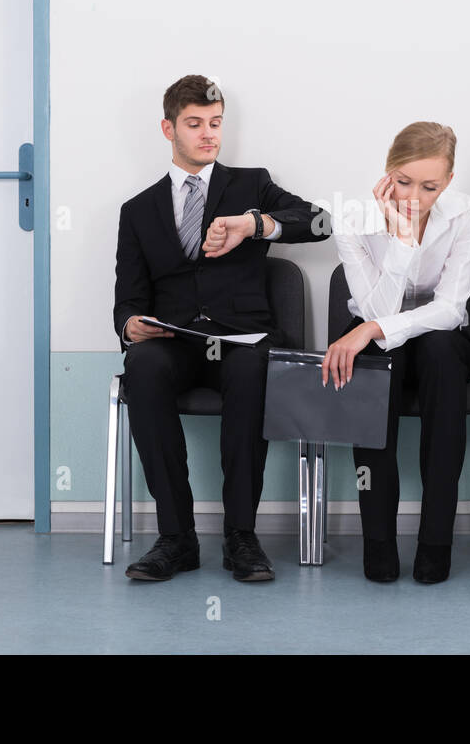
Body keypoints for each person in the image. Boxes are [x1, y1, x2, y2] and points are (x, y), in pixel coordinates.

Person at [112, 75, 330, 583]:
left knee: (254, 368)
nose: (209, 134)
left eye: (215, 123)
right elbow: (127, 298)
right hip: (175, 342)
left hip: (241, 339)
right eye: (194, 124)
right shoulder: (137, 211)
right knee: (141, 367)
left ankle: (241, 536)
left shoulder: (251, 184)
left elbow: (319, 222)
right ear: (168, 129)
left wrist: (256, 224)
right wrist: (130, 325)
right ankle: (176, 538)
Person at [322, 122, 470, 584]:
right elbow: (378, 309)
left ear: (448, 182)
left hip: (440, 338)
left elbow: (451, 309)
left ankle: (435, 541)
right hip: (375, 337)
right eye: (404, 181)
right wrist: (404, 243)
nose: (414, 196)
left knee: (439, 353)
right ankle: (379, 541)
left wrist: (372, 328)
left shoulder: (465, 212)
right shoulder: (352, 219)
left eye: (430, 186)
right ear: (386, 173)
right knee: (374, 362)